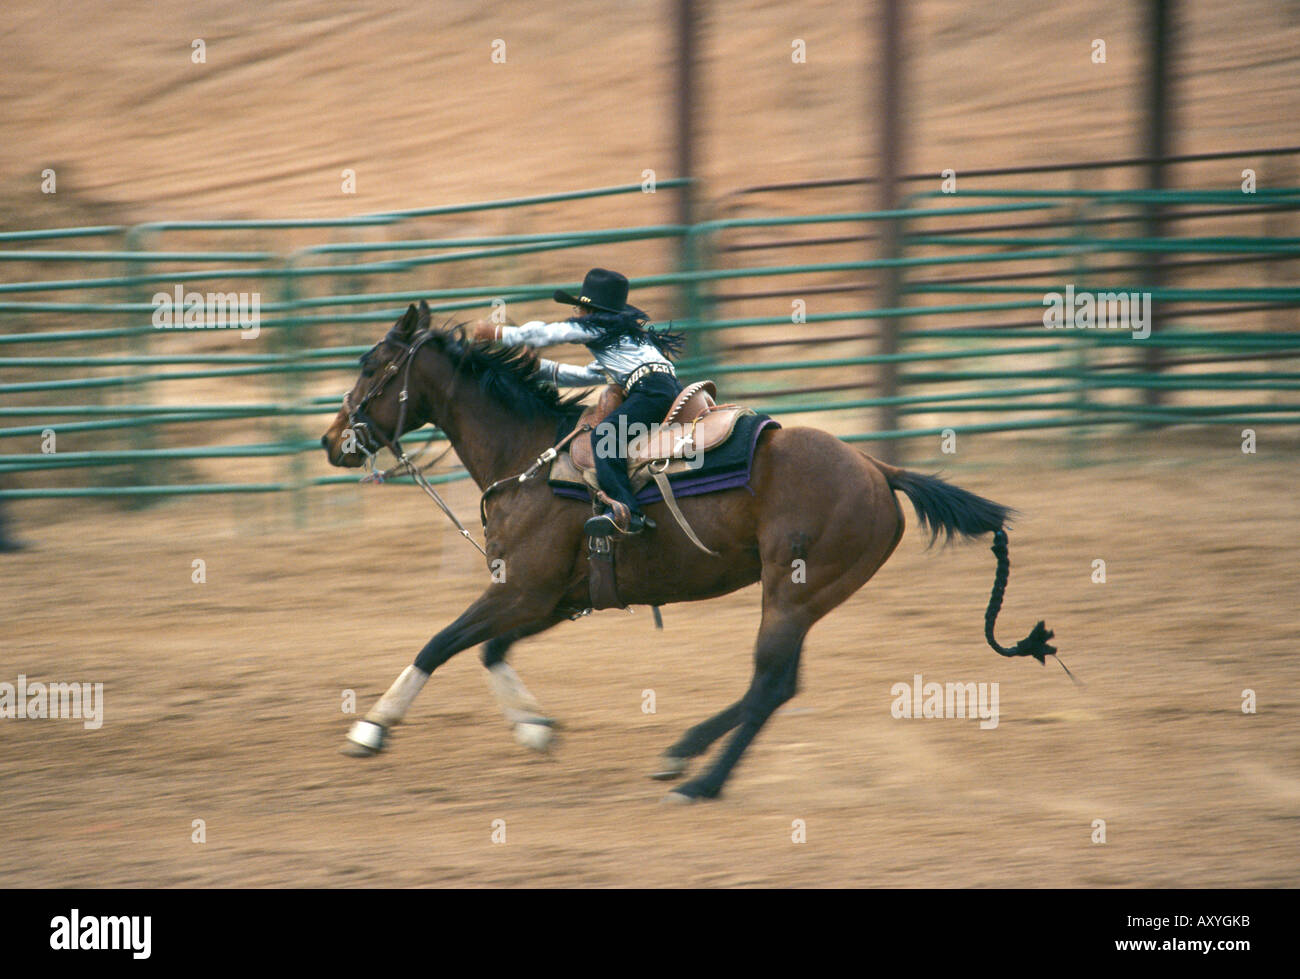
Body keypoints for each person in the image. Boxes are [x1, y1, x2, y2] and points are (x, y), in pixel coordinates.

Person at [475, 268, 684, 538]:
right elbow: (586, 374)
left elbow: (550, 334)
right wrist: (538, 368)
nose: (576, 314)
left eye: (579, 309)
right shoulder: (626, 339)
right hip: (664, 388)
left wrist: (500, 334)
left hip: (650, 390)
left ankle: (626, 511)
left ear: (590, 311)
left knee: (604, 437)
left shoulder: (598, 327)